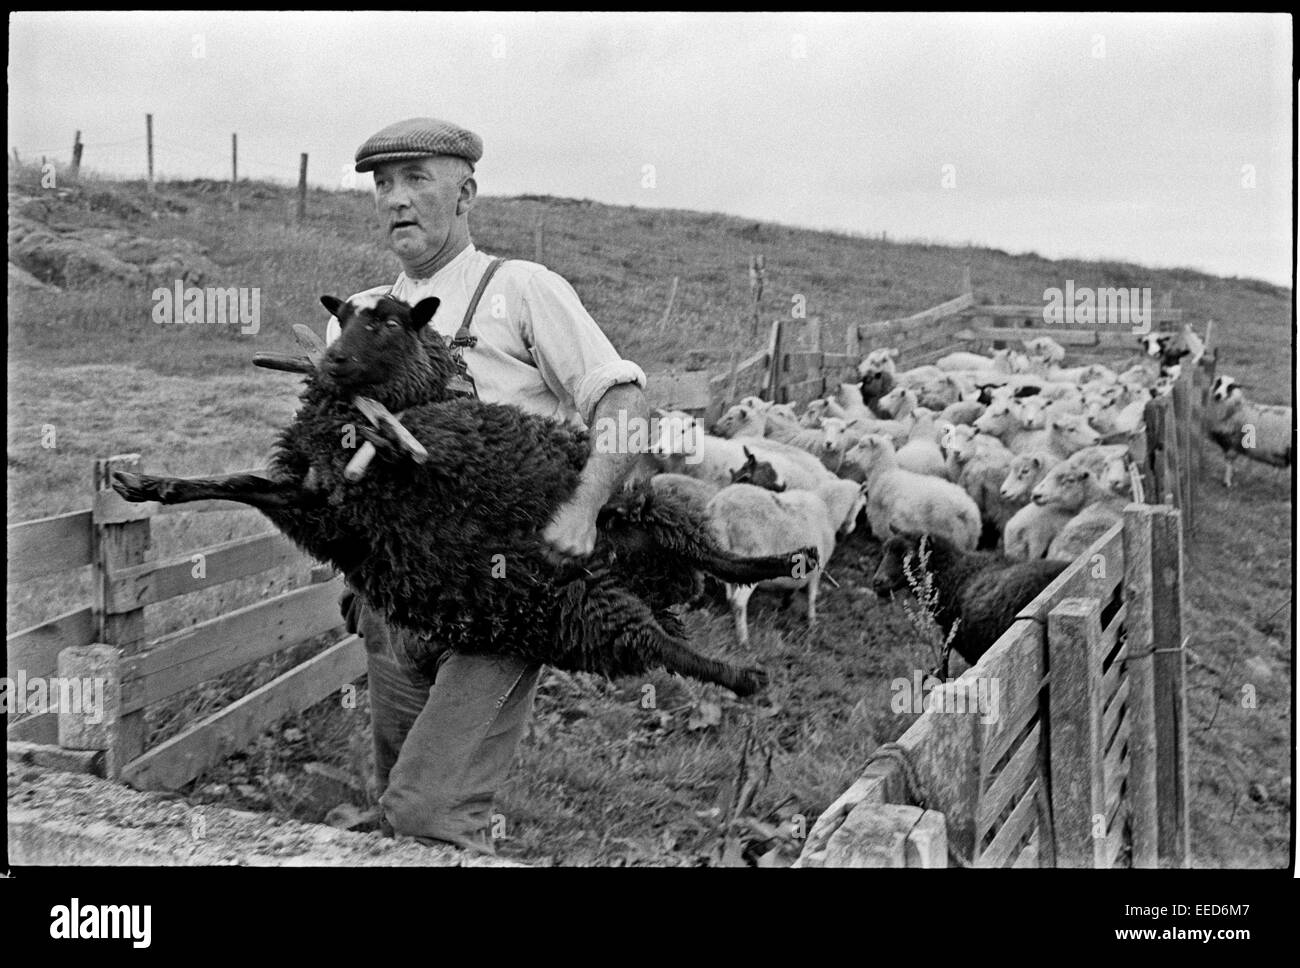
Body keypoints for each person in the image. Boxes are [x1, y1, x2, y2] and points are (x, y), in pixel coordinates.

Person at [326, 117, 649, 852]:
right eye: (383, 184)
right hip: (395, 603)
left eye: (417, 181)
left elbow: (623, 402)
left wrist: (584, 505)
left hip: (499, 599)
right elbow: (340, 453)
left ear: (466, 192)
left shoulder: (524, 290)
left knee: (428, 810)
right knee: (398, 816)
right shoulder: (360, 315)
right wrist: (350, 569)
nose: (395, 200)